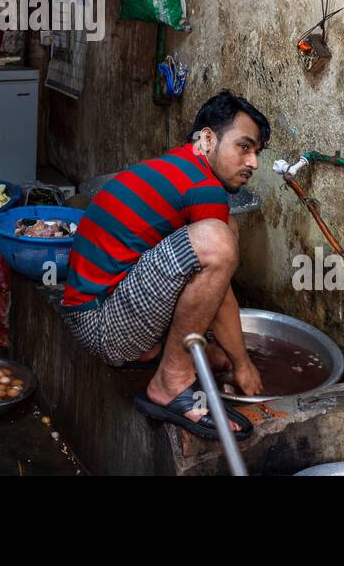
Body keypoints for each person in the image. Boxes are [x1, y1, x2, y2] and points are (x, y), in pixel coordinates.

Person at [60, 89, 270, 441]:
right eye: (244, 147)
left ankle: (156, 352)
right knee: (218, 241)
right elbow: (221, 295)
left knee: (223, 232)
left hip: (99, 313)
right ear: (207, 139)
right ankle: (171, 382)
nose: (253, 163)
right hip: (102, 326)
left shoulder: (177, 167)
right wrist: (243, 365)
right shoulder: (203, 187)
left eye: (257, 152)